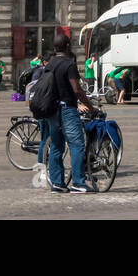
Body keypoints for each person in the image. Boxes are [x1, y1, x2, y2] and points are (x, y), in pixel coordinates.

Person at [42, 33, 98, 193]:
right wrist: (90, 106)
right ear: (68, 46)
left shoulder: (50, 64)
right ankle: (78, 183)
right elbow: (77, 90)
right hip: (67, 108)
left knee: (56, 146)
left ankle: (57, 183)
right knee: (76, 145)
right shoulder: (69, 64)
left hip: (52, 109)